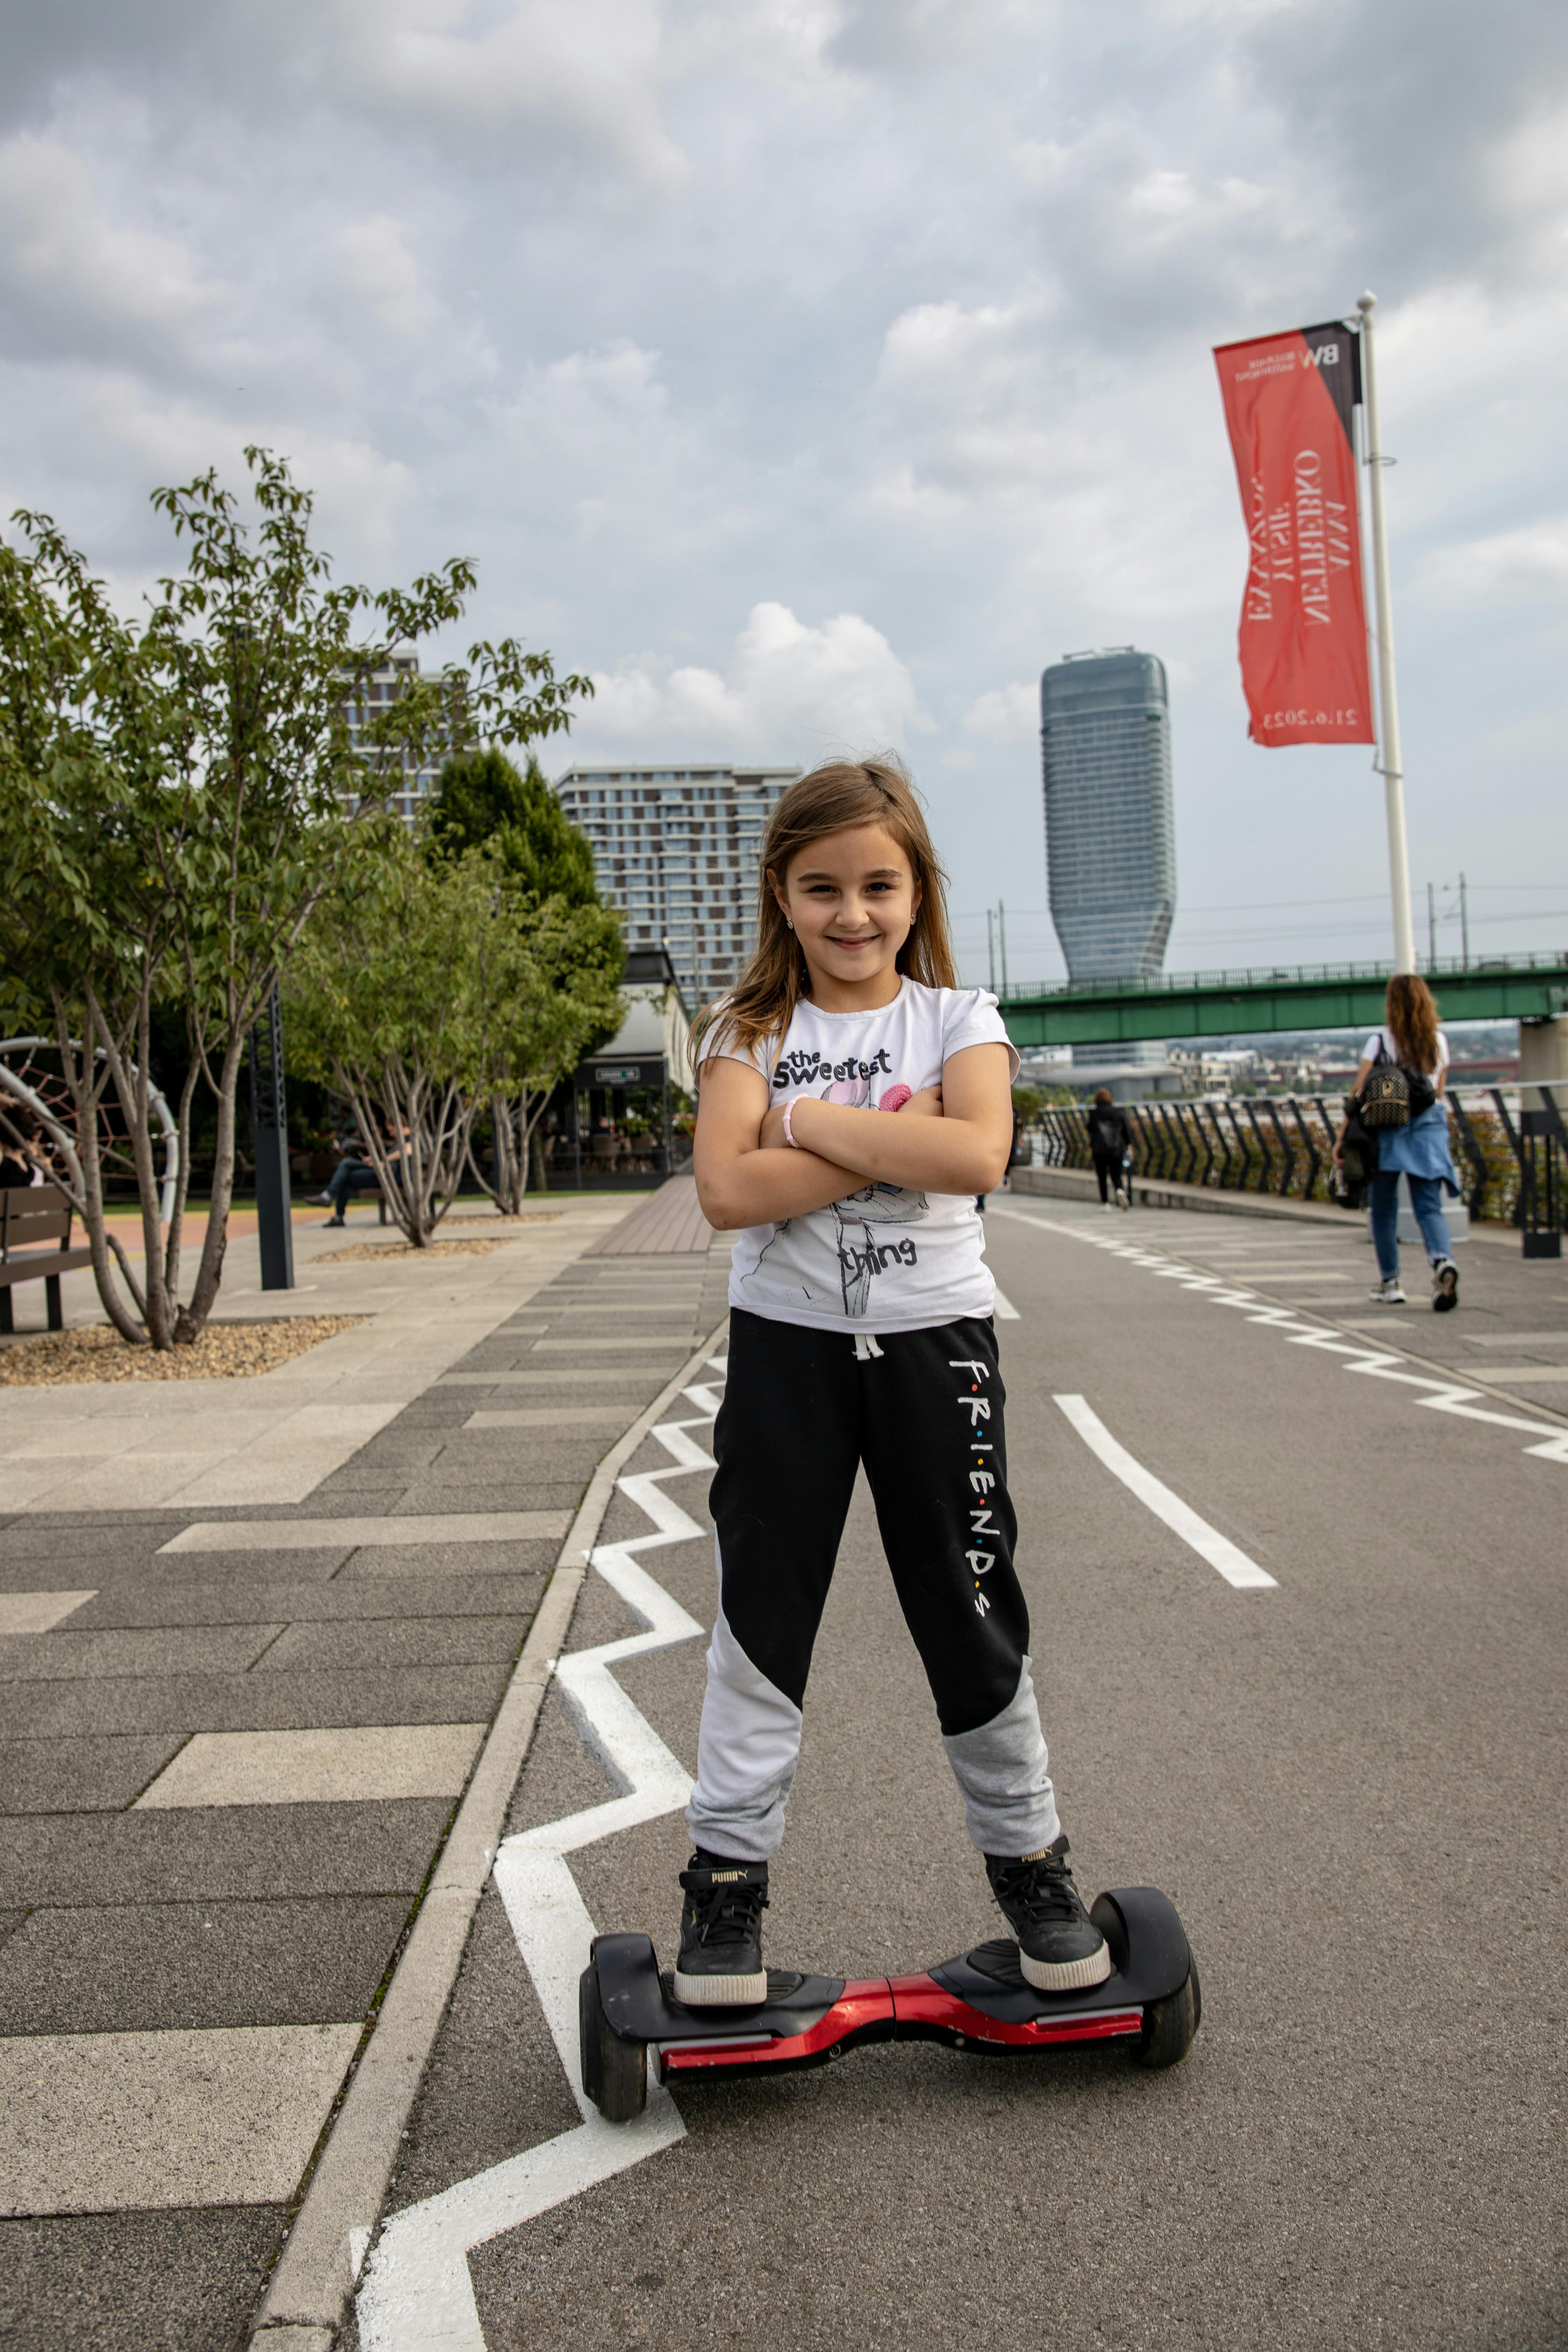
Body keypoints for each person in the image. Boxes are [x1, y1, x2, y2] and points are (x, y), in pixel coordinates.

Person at [677, 756, 1111, 2007]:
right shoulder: (745, 1032)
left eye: (878, 884)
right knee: (761, 1623)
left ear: (918, 888)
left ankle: (1033, 1867)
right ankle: (724, 1888)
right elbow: (724, 1191)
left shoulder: (960, 1019)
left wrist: (801, 1127)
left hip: (939, 1357)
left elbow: (973, 1152)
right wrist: (880, 1132)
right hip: (785, 1359)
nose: (852, 913)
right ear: (781, 893)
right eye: (822, 888)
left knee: (970, 1613)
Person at [1334, 972, 1461, 1311]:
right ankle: (1441, 1261)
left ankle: (1391, 1282)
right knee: (1429, 1207)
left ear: (1391, 1005)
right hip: (1429, 1128)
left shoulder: (1380, 1041)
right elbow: (1438, 1092)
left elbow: (1360, 1094)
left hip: (1388, 1130)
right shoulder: (1439, 1041)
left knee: (1384, 1208)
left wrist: (1343, 1136)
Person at [316, 1124, 382, 1227]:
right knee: (345, 1168)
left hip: (384, 1173)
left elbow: (403, 1152)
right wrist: (373, 1159)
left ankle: (329, 1199)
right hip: (378, 1167)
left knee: (346, 1167)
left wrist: (380, 1160)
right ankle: (331, 1204)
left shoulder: (404, 1141)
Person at [1087, 1088, 1133, 1210]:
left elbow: (1090, 1130)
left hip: (1100, 1150)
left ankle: (1105, 1203)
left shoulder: (1094, 1113)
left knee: (1102, 1176)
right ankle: (1119, 1191)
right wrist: (1129, 1146)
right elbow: (1127, 1130)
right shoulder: (1118, 1112)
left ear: (1097, 1100)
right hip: (1117, 1149)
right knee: (1116, 1175)